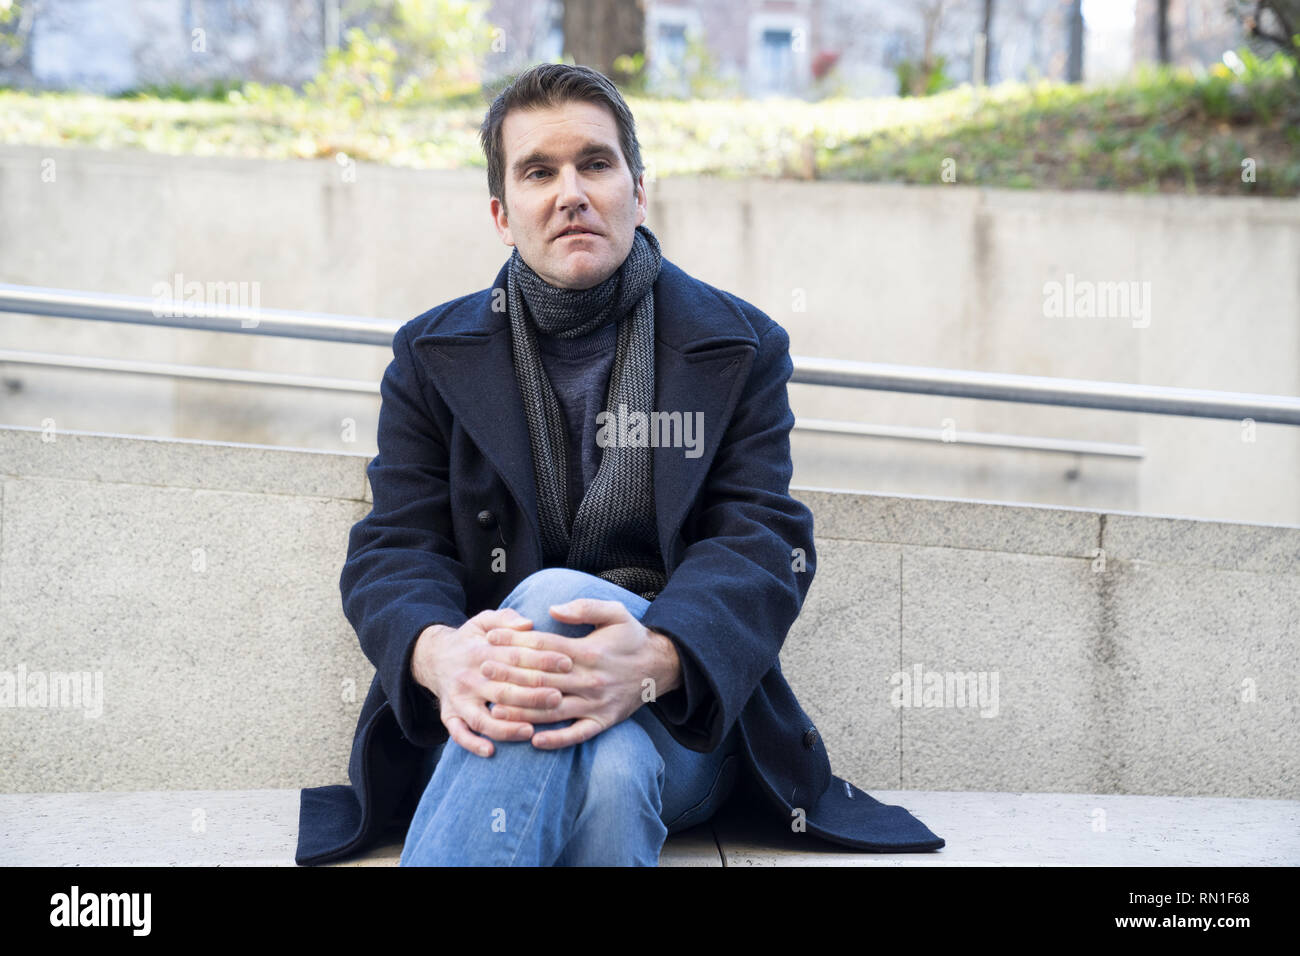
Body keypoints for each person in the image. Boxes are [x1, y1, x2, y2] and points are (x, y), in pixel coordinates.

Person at [295, 62, 944, 866]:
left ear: (638, 190)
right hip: (488, 712)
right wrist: (439, 654)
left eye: (595, 164)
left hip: (677, 722)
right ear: (503, 213)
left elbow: (764, 541)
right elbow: (395, 545)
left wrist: (660, 657)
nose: (571, 192)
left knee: (555, 602)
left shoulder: (738, 347)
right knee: (608, 770)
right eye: (539, 171)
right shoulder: (432, 356)